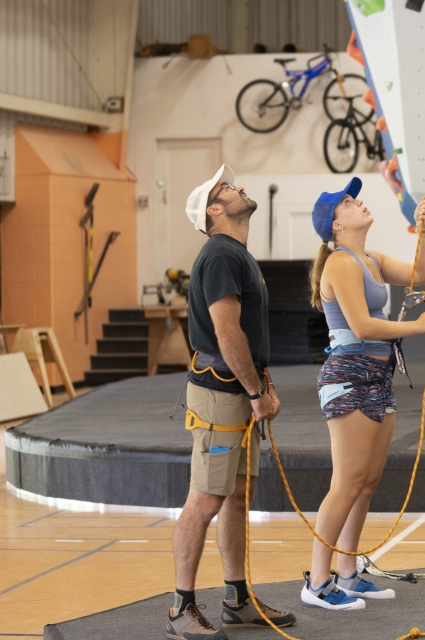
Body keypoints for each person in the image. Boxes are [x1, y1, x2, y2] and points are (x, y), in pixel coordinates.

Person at [168, 165, 295, 640]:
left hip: (235, 389)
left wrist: (263, 384)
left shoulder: (236, 253)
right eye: (227, 189)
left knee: (236, 496)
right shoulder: (221, 254)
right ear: (214, 211)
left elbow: (244, 336)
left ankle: (237, 598)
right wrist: (258, 393)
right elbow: (226, 333)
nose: (238, 187)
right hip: (222, 394)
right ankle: (181, 607)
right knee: (205, 499)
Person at [300, 177, 425, 610]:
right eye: (346, 202)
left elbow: (424, 274)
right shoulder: (340, 263)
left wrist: (424, 229)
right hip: (349, 375)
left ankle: (348, 571)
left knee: (367, 482)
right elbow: (361, 326)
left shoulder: (371, 259)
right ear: (335, 226)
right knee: (347, 482)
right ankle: (318, 581)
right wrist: (415, 327)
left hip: (378, 378)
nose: (357, 202)